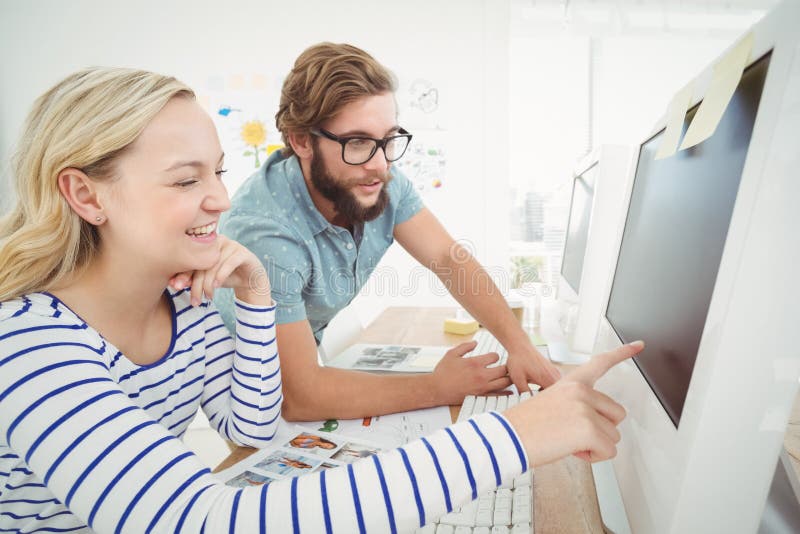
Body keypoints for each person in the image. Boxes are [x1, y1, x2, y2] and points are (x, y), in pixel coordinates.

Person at [0, 66, 643, 532]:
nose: (221, 200)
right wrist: (517, 435)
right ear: (86, 197)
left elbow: (253, 428)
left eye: (218, 171)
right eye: (185, 179)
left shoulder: (184, 306)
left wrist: (254, 294)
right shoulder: (29, 348)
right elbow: (201, 521)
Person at [214, 42, 561, 422]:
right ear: (301, 140)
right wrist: (438, 387)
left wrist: (519, 345)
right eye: (358, 142)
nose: (380, 165)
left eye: (387, 140)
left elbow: (448, 258)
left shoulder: (373, 178)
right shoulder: (267, 235)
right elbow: (300, 397)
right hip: (243, 399)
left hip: (300, 371)